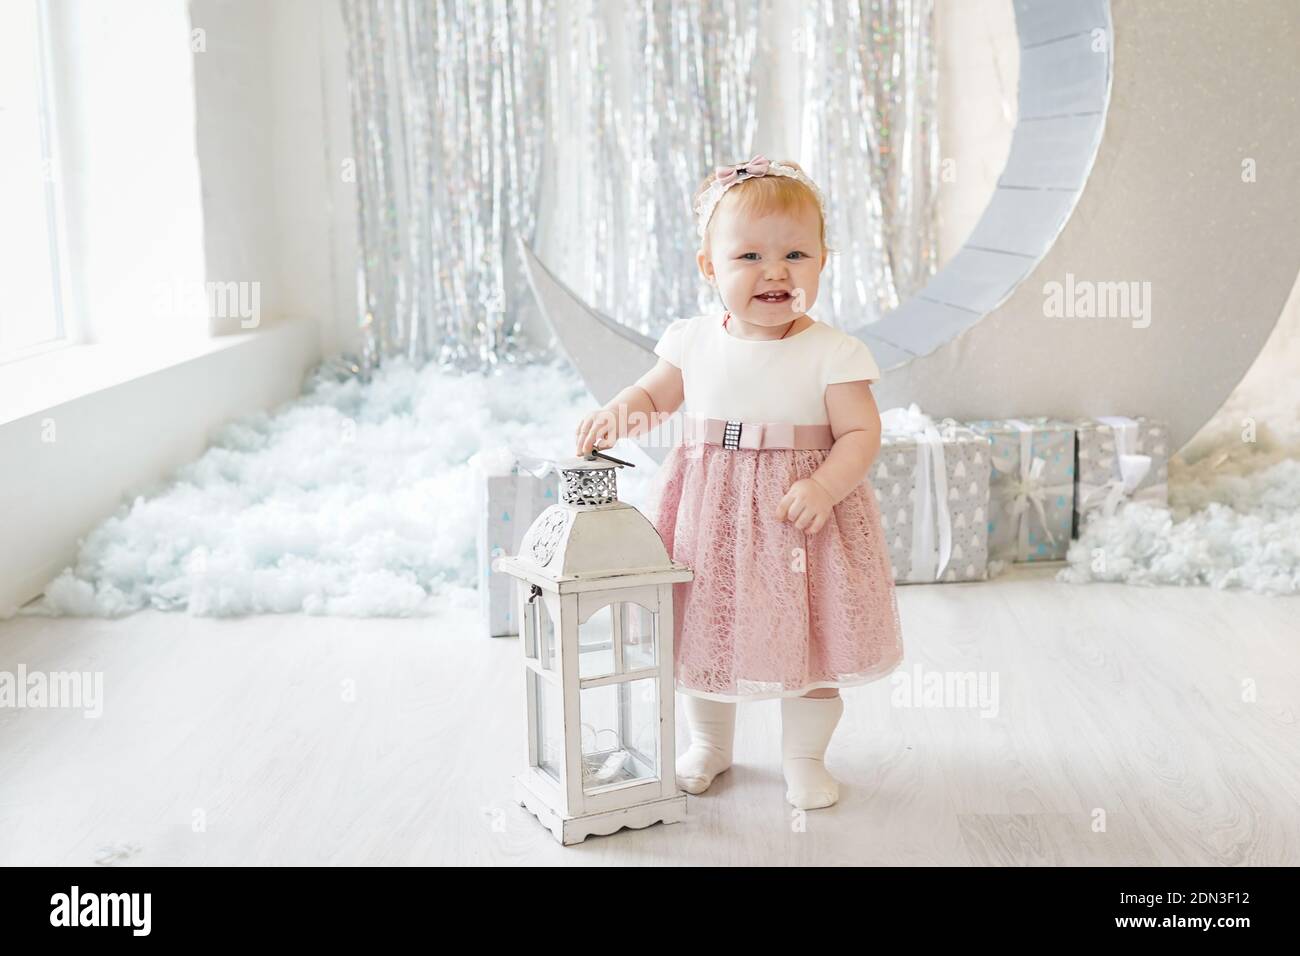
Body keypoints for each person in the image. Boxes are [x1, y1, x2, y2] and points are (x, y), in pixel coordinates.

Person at [575, 155, 904, 810]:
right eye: (749, 255)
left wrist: (825, 487)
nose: (775, 271)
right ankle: (710, 745)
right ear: (710, 267)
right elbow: (655, 397)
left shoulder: (833, 352)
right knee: (707, 627)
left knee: (807, 640)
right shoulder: (693, 340)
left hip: (797, 516)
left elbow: (861, 435)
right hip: (711, 513)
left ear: (821, 263)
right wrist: (619, 414)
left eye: (795, 254)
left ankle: (804, 759)